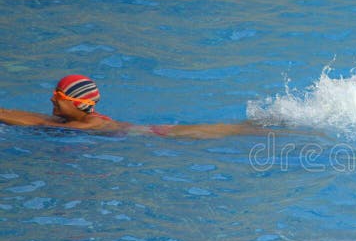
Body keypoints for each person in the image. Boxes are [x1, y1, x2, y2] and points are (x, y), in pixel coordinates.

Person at [0, 74, 294, 139]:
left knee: (215, 132)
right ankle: (262, 125)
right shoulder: (77, 118)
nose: (52, 99)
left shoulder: (81, 125)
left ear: (76, 103)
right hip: (144, 130)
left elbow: (37, 123)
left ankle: (264, 128)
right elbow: (35, 117)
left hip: (150, 133)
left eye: (58, 95)